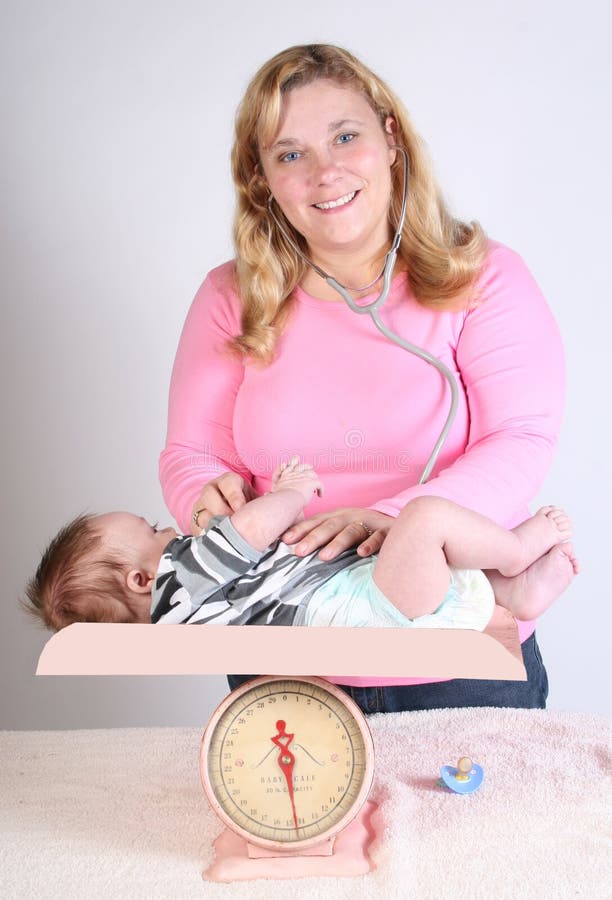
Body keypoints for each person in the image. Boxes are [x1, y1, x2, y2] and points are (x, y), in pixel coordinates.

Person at [159, 44, 566, 710]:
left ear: (390, 138)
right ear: (261, 179)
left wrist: (395, 522)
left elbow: (521, 439)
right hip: (284, 654)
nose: (325, 173)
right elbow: (190, 455)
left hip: (457, 652)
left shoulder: (484, 276)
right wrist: (208, 501)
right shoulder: (230, 297)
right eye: (290, 154)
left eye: (344, 137)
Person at [24, 458, 577, 635]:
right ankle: (514, 552)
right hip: (372, 607)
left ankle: (510, 592)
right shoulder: (184, 576)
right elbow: (250, 532)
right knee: (424, 518)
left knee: (424, 541)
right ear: (142, 580)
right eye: (149, 530)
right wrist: (290, 492)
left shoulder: (187, 612)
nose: (164, 529)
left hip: (370, 595)